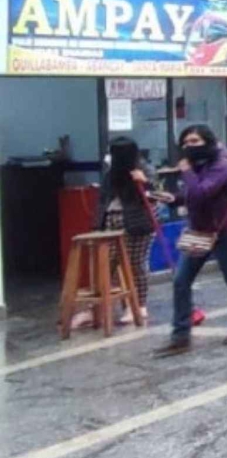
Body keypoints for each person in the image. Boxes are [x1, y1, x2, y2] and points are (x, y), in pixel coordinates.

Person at [156, 125, 227, 356]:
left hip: (224, 231)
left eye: (195, 141)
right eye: (186, 142)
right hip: (199, 231)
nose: (189, 146)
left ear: (208, 141)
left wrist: (186, 172)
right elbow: (193, 196)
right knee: (181, 280)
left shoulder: (223, 164)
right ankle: (180, 335)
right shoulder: (198, 164)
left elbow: (201, 193)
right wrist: (175, 199)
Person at [96, 136, 159, 322]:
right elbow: (103, 199)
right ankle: (100, 307)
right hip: (112, 220)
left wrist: (145, 182)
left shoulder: (144, 169)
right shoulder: (111, 173)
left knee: (135, 264)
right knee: (109, 264)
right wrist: (98, 222)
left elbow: (156, 194)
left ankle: (138, 306)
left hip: (138, 222)